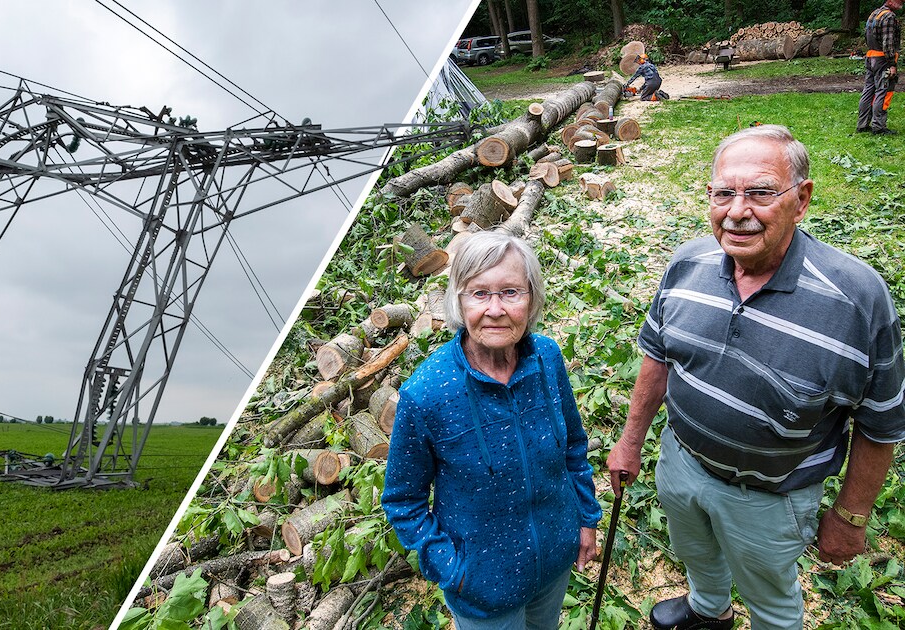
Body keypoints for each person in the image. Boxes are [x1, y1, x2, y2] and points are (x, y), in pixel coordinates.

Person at [606, 125, 905, 630]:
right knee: (696, 554)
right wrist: (631, 442)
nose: (737, 211)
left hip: (771, 496)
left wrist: (850, 516)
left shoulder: (858, 300)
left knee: (770, 598)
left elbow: (881, 423)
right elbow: (657, 357)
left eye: (761, 193)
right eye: (723, 193)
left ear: (801, 199)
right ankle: (709, 610)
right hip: (681, 463)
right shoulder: (687, 263)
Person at [382, 232, 601, 629]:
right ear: (458, 300)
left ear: (531, 299)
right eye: (479, 293)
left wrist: (585, 519)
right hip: (483, 593)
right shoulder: (427, 393)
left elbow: (573, 446)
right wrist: (455, 570)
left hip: (555, 562)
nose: (495, 309)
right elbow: (403, 502)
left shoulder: (547, 358)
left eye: (510, 292)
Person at [857, 0, 901, 135]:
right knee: (884, 91)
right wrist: (892, 64)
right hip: (883, 59)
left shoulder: (875, 13)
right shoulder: (889, 16)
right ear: (890, 1)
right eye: (898, 1)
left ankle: (862, 124)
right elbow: (888, 43)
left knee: (868, 90)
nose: (901, 3)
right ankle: (879, 126)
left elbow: (867, 37)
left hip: (871, 56)